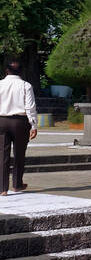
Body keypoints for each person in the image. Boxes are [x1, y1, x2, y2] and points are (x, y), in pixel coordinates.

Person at [0, 56, 37, 195]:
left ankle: (2, 188)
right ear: (21, 71)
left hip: (1, 120)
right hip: (20, 122)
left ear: (6, 70)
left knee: (2, 154)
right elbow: (30, 107)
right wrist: (33, 125)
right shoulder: (26, 85)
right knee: (19, 153)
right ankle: (17, 184)